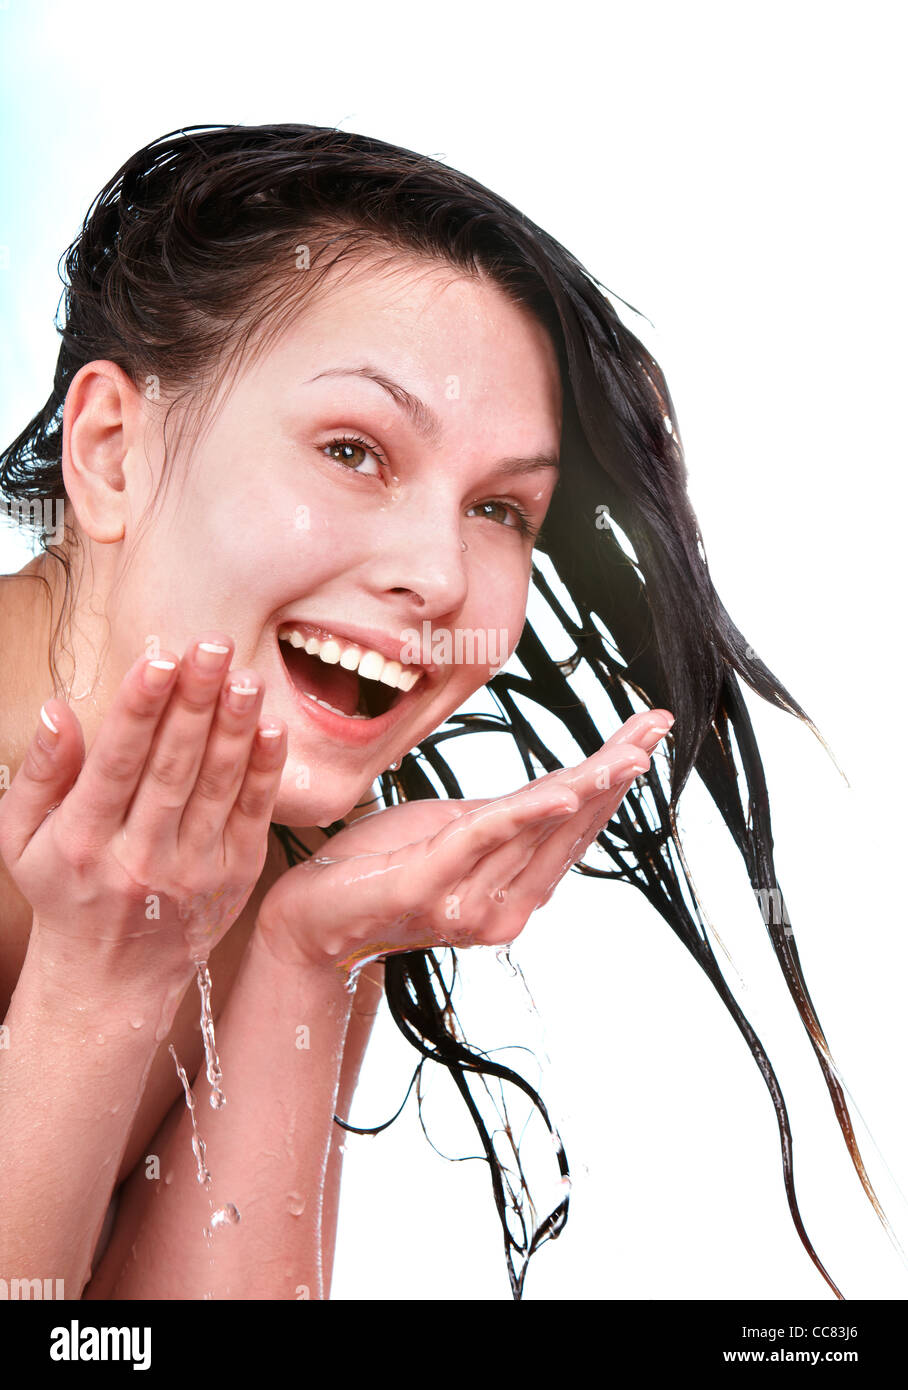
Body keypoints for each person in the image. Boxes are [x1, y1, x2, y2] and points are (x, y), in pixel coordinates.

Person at [0, 122, 885, 1301]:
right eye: (354, 450)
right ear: (112, 451)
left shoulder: (268, 861)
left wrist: (309, 957)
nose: (440, 574)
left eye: (502, 510)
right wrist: (91, 992)